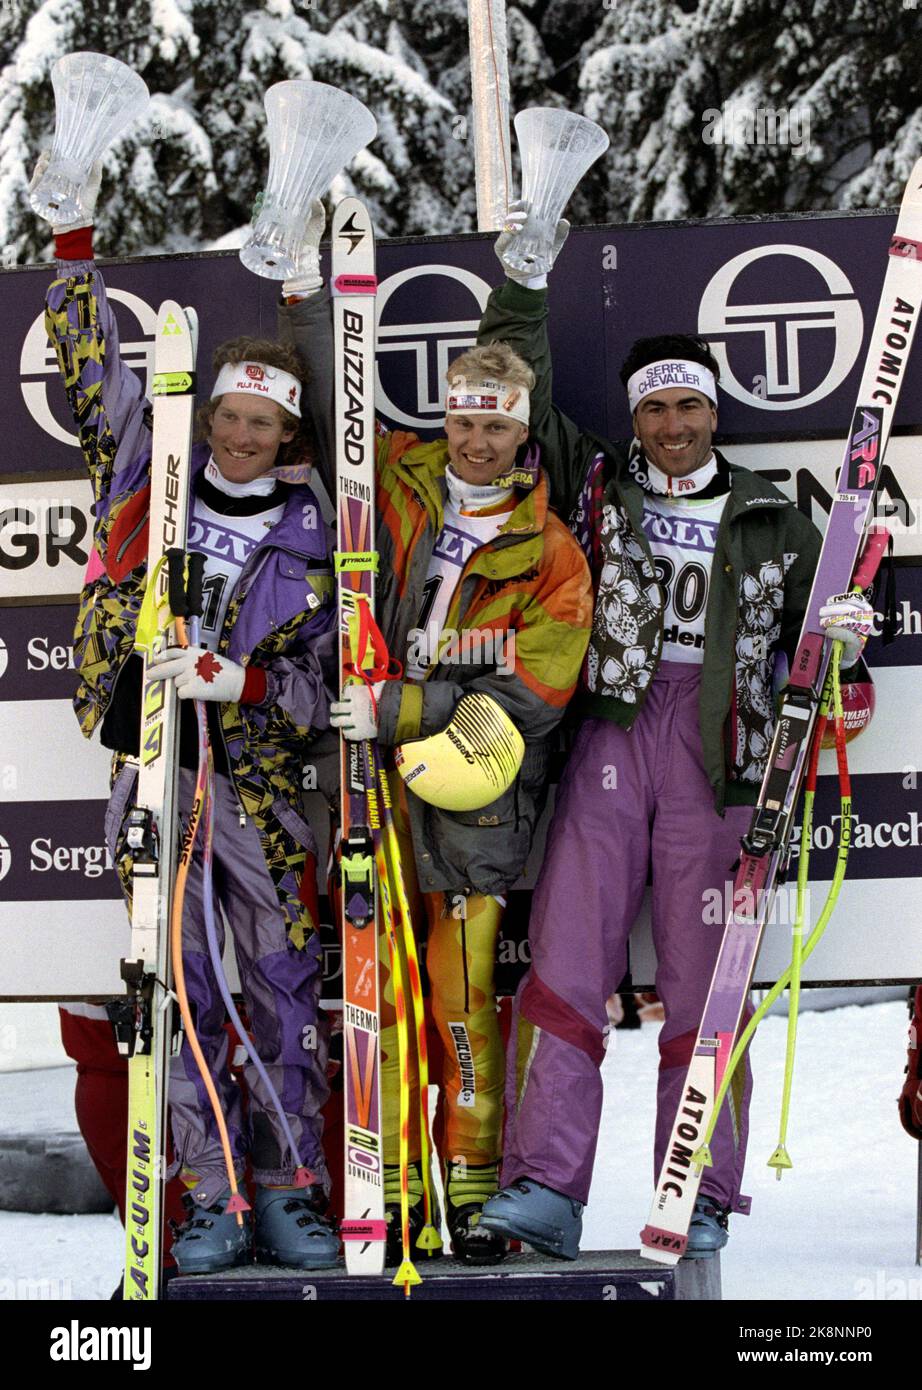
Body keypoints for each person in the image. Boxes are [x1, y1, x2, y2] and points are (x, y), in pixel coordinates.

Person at [474, 212, 874, 1260]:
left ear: (714, 412)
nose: (672, 424)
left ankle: (695, 1189)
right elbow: (525, 404)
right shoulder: (599, 487)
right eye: (655, 406)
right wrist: (521, 283)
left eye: (689, 404)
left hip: (720, 751)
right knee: (563, 963)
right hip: (612, 734)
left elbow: (831, 676)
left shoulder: (774, 516)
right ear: (638, 417)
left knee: (707, 987)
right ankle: (545, 1187)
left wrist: (844, 640)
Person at [40, 162, 341, 1274]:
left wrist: (246, 683)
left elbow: (324, 687)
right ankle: (208, 1194)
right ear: (204, 413)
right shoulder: (149, 471)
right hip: (154, 771)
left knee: (278, 986)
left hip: (260, 790)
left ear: (288, 429)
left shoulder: (313, 533)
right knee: (177, 987)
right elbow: (90, 381)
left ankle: (289, 1188)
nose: (241, 437)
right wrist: (75, 248)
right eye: (228, 415)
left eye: (263, 421)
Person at [282, 284, 593, 1263]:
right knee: (377, 986)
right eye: (463, 419)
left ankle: (468, 1186)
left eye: (495, 427)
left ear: (519, 431)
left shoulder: (549, 550)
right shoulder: (400, 479)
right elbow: (332, 410)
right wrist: (302, 300)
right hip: (374, 786)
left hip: (480, 793)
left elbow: (536, 689)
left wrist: (398, 709)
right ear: (446, 415)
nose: (477, 442)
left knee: (462, 1004)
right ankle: (396, 1178)